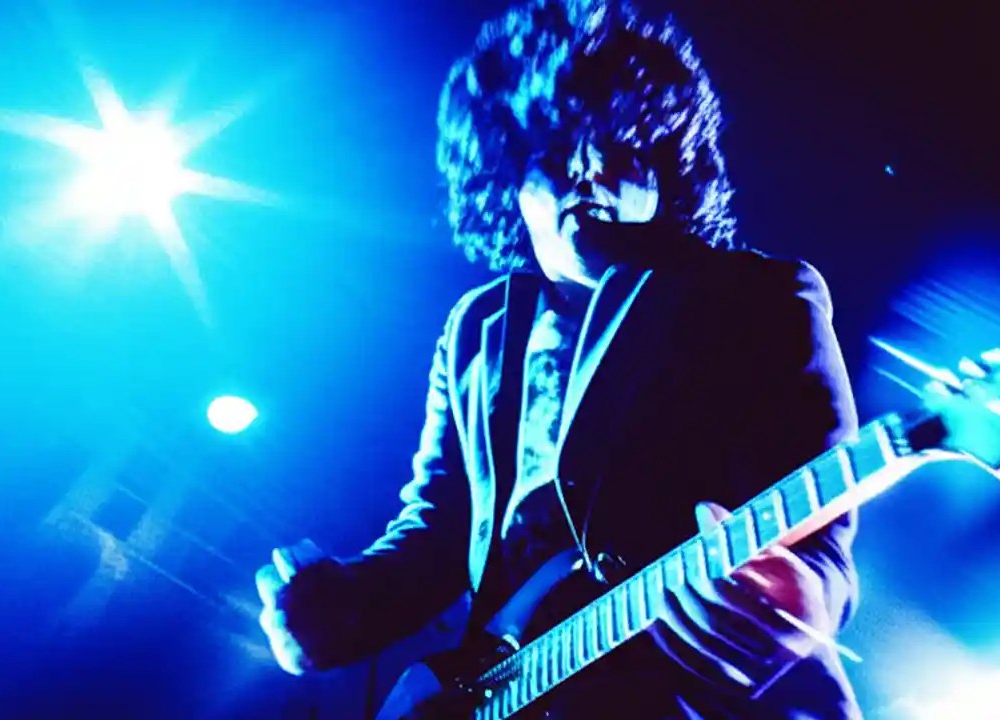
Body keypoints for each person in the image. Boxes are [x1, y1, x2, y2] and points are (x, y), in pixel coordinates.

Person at [256, 0, 861, 717]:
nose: (584, 169)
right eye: (553, 150)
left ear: (665, 169)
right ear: (509, 183)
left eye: (616, 144)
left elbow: (819, 534)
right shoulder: (479, 328)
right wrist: (337, 612)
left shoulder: (755, 298)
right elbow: (439, 532)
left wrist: (800, 595)